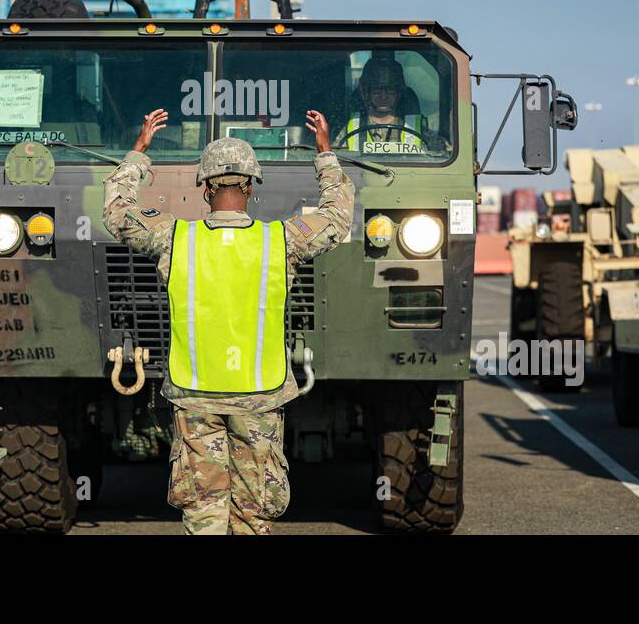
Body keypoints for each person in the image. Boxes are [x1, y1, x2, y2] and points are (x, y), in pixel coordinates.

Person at [102, 108, 354, 534]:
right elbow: (338, 217)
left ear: (205, 189)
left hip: (195, 392)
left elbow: (117, 213)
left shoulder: (174, 238)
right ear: (252, 187)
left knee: (204, 513)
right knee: (254, 513)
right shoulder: (282, 240)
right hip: (259, 395)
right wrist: (325, 155)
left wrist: (138, 154)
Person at [339, 56, 428, 150]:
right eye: (377, 89)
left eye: (390, 89)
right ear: (365, 92)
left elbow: (439, 154)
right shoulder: (346, 131)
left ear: (399, 92)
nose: (383, 96)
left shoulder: (420, 132)